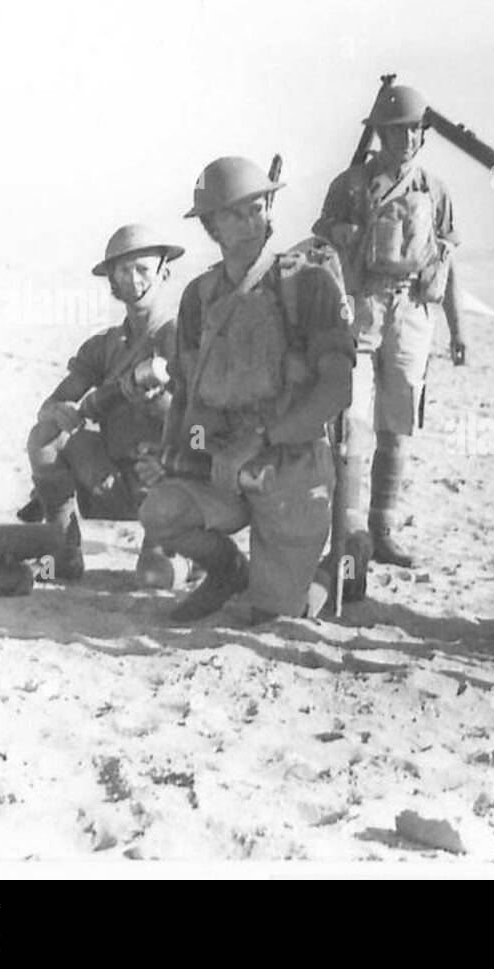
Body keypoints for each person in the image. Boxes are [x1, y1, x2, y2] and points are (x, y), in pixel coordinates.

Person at [136, 156, 355, 624]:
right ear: (212, 226)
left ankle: (337, 564)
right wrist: (171, 455)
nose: (254, 218)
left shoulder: (309, 282)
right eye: (237, 212)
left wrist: (260, 438)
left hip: (290, 463)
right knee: (161, 510)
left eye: (259, 206)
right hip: (221, 460)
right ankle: (229, 572)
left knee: (275, 617)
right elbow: (186, 390)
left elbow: (336, 391)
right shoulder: (199, 297)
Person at [313, 84, 467, 595]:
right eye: (399, 129)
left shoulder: (434, 188)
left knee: (397, 423)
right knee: (350, 426)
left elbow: (446, 259)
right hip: (360, 308)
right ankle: (349, 532)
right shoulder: (351, 186)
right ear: (380, 132)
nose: (409, 138)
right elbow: (323, 250)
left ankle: (382, 528)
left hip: (413, 310)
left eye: (417, 129)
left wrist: (457, 329)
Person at [21, 223, 184, 587]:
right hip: (112, 479)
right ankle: (63, 548)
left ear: (164, 273)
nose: (134, 279)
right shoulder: (104, 346)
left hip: (170, 480)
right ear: (112, 282)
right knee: (45, 436)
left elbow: (207, 426)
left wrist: (163, 416)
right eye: (123, 271)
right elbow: (57, 401)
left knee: (155, 578)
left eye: (143, 268)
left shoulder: (186, 340)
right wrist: (58, 411)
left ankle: (194, 560)